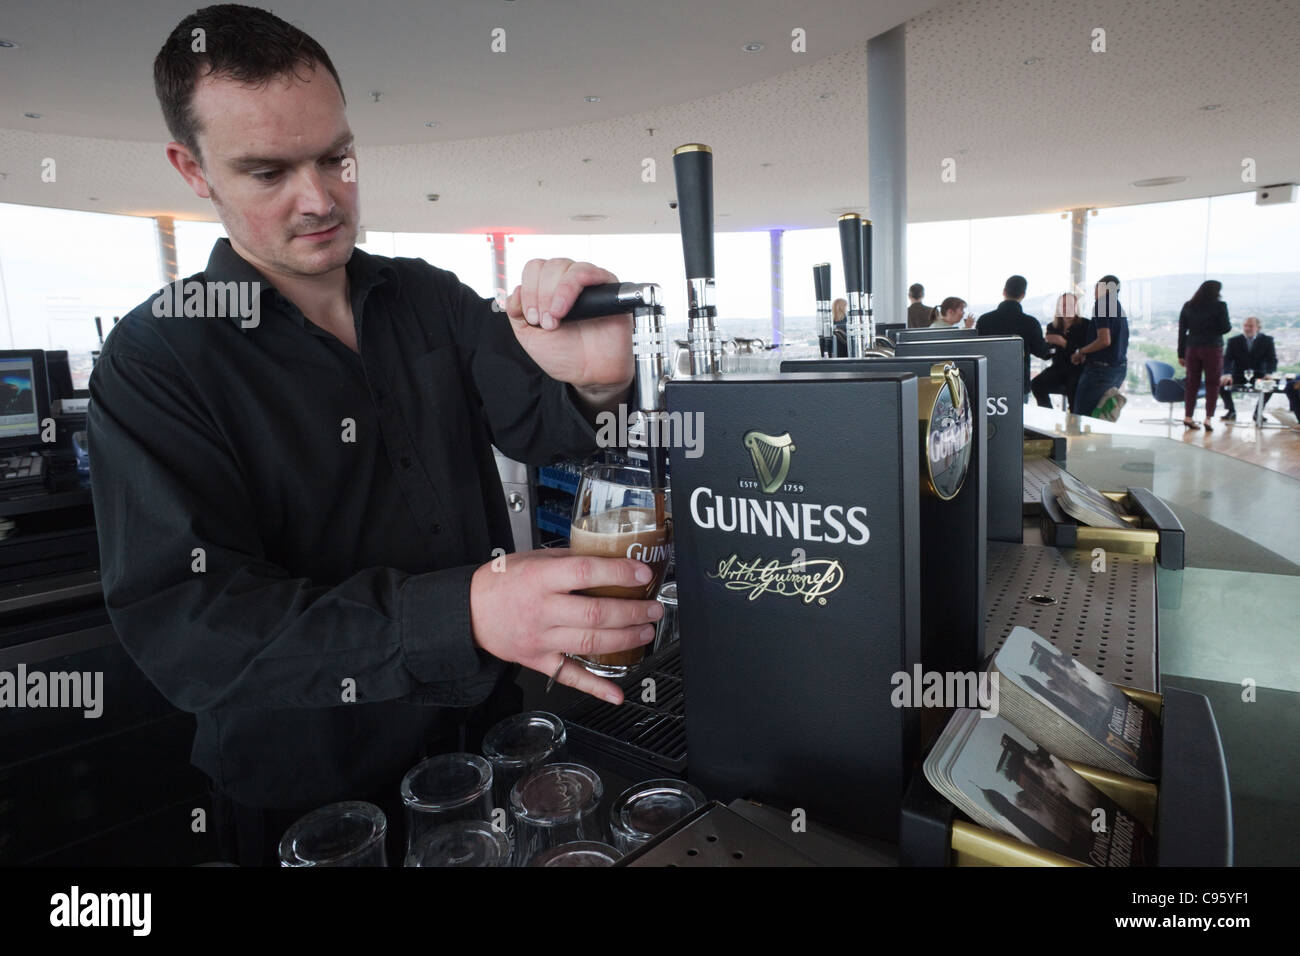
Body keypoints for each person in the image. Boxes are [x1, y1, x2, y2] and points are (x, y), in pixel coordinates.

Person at [88, 5, 658, 866]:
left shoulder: (428, 298)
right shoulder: (156, 359)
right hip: (313, 802)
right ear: (192, 169)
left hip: (493, 743)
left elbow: (546, 432)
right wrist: (460, 611)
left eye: (335, 158)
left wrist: (598, 377)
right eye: (268, 171)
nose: (319, 199)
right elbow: (191, 630)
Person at [975, 274, 1053, 401]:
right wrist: (1052, 345)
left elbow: (978, 349)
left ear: (1004, 292)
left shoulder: (985, 320)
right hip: (1018, 383)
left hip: (990, 381)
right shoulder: (1030, 323)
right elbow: (1042, 352)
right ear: (1023, 295)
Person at [1071, 275, 1130, 418]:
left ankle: (1081, 442)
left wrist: (1081, 351)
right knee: (1102, 417)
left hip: (1100, 371)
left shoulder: (1102, 304)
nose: (1094, 294)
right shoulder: (1118, 307)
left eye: (1096, 288)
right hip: (1118, 369)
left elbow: (1104, 340)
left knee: (1082, 417)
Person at [1176, 280, 1232, 430]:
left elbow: (1182, 331)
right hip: (1212, 348)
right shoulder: (1220, 306)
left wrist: (1180, 354)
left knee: (1191, 384)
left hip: (1192, 348)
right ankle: (1208, 419)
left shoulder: (1189, 305)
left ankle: (1188, 417)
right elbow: (1226, 328)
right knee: (1212, 384)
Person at [1030, 293, 1087, 411]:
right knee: (1036, 384)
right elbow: (1049, 353)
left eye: (1070, 305)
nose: (1067, 308)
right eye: (1063, 305)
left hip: (1078, 370)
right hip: (1058, 368)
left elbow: (1084, 352)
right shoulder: (1052, 327)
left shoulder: (1086, 325)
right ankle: (1048, 416)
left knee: (1073, 389)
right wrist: (1045, 345)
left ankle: (1073, 423)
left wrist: (1063, 343)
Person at [1219, 315, 1277, 422]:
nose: (1247, 328)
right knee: (1221, 384)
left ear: (1258, 328)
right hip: (1238, 375)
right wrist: (1226, 374)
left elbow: (1272, 359)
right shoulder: (1233, 341)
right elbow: (1227, 359)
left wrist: (1269, 373)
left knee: (1270, 386)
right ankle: (1231, 411)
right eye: (1245, 326)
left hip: (1259, 375)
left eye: (1250, 326)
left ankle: (1257, 413)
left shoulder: (1267, 340)